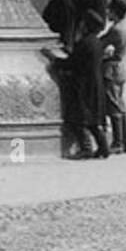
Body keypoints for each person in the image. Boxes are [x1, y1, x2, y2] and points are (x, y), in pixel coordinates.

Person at [47, 12, 110, 159]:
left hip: (83, 85)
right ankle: (103, 147)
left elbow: (73, 63)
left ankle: (86, 148)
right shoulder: (95, 42)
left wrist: (54, 60)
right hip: (94, 83)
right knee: (93, 120)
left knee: (79, 119)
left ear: (86, 25)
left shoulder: (85, 43)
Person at [103, 0, 126, 154]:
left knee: (113, 107)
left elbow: (100, 42)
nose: (107, 12)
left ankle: (118, 143)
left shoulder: (115, 30)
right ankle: (125, 141)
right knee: (120, 106)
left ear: (115, 12)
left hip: (111, 70)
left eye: (110, 10)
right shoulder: (122, 28)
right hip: (119, 70)